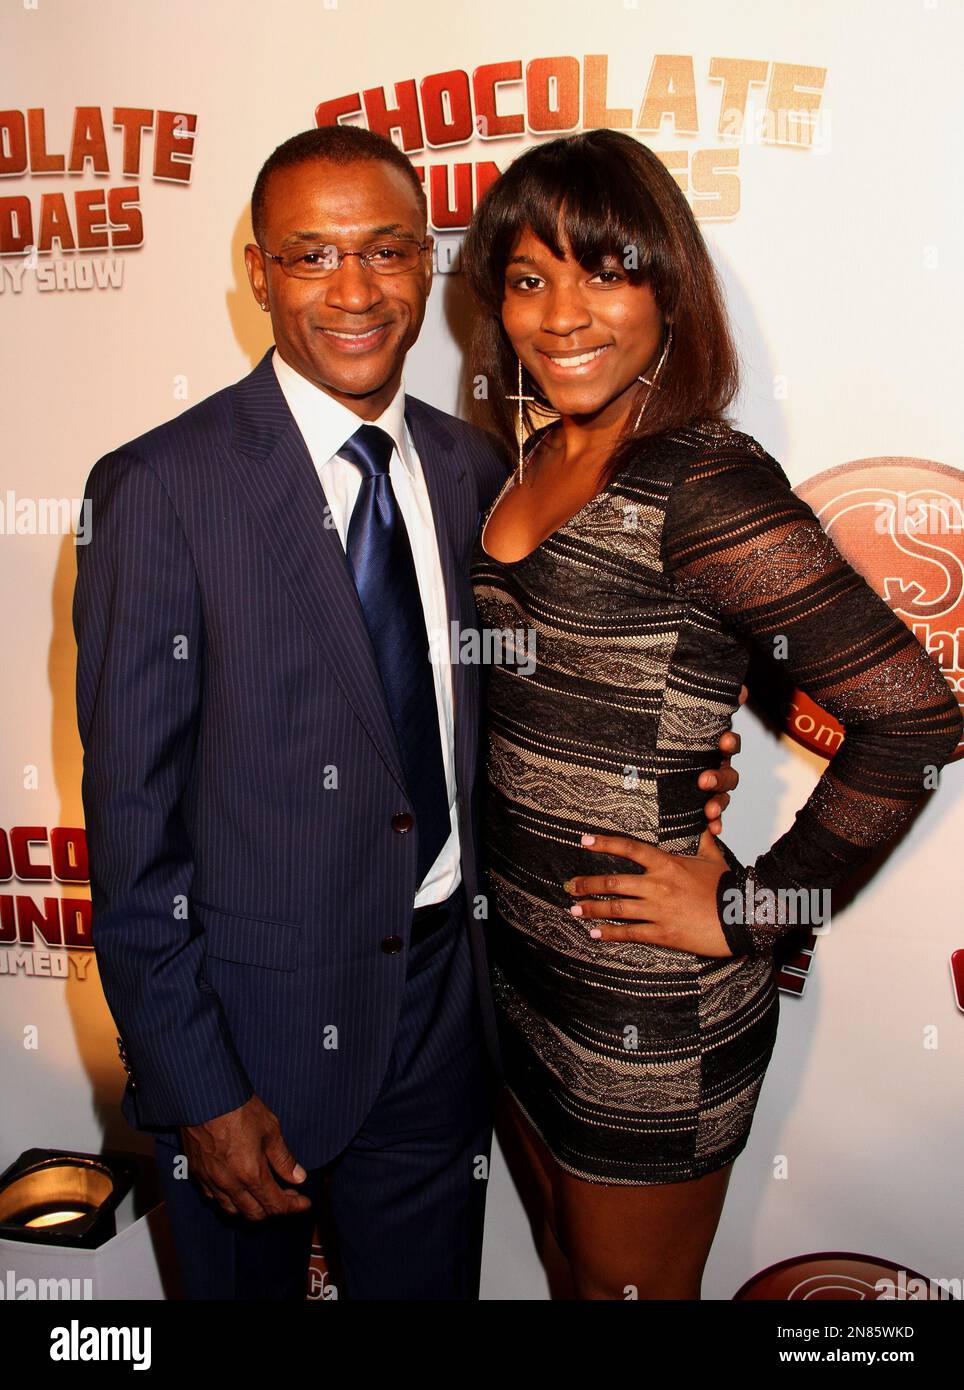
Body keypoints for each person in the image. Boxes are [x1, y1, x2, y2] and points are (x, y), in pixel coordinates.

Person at [72, 124, 743, 1301]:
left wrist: (679, 765)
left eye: (385, 251)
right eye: (311, 255)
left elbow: (531, 704)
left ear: (427, 266)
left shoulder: (477, 467)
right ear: (259, 273)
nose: (353, 290)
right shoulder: (160, 489)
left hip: (452, 1010)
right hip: (250, 1034)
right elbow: (133, 829)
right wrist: (198, 1087)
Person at [461, 127, 963, 1301]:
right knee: (571, 1276)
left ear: (668, 290)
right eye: (529, 279)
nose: (563, 313)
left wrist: (755, 908)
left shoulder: (699, 479)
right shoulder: (529, 453)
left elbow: (912, 718)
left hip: (646, 1002)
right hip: (523, 973)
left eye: (606, 269)